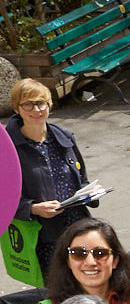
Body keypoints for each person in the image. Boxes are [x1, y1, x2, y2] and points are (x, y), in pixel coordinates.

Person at [7, 77, 96, 281]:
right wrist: (32, 208)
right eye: (28, 104)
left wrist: (89, 192)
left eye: (41, 103)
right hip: (45, 235)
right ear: (16, 108)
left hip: (79, 226)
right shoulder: (8, 149)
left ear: (49, 104)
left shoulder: (64, 137)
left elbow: (81, 178)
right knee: (58, 290)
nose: (36, 110)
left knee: (91, 283)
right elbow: (3, 199)